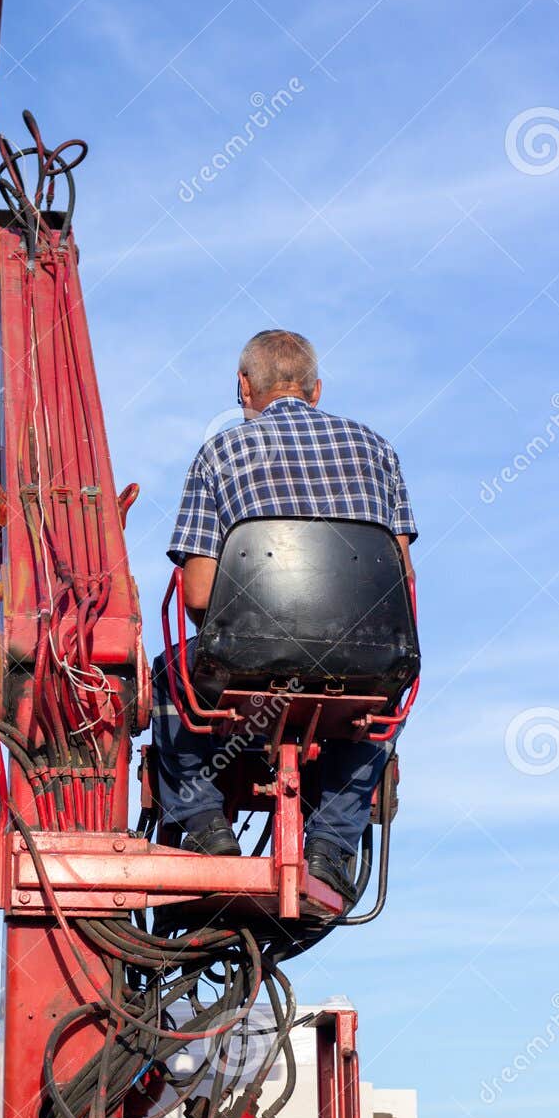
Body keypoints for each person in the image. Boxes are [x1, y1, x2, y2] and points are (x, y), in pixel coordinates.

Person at [152, 329, 416, 904]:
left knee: (167, 672)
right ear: (316, 390)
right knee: (377, 694)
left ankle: (204, 826)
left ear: (243, 388)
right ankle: (331, 843)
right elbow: (401, 577)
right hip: (364, 656)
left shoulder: (220, 452)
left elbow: (197, 595)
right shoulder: (377, 450)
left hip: (245, 659)